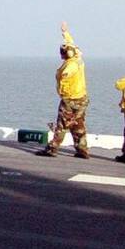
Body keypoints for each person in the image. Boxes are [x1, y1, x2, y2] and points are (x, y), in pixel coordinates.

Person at [37, 21, 89, 158]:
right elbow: (72, 45)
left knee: (62, 124)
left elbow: (66, 75)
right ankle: (82, 149)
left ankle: (52, 149)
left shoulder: (70, 66)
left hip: (70, 99)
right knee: (78, 124)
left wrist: (62, 81)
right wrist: (65, 33)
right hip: (81, 98)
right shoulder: (78, 58)